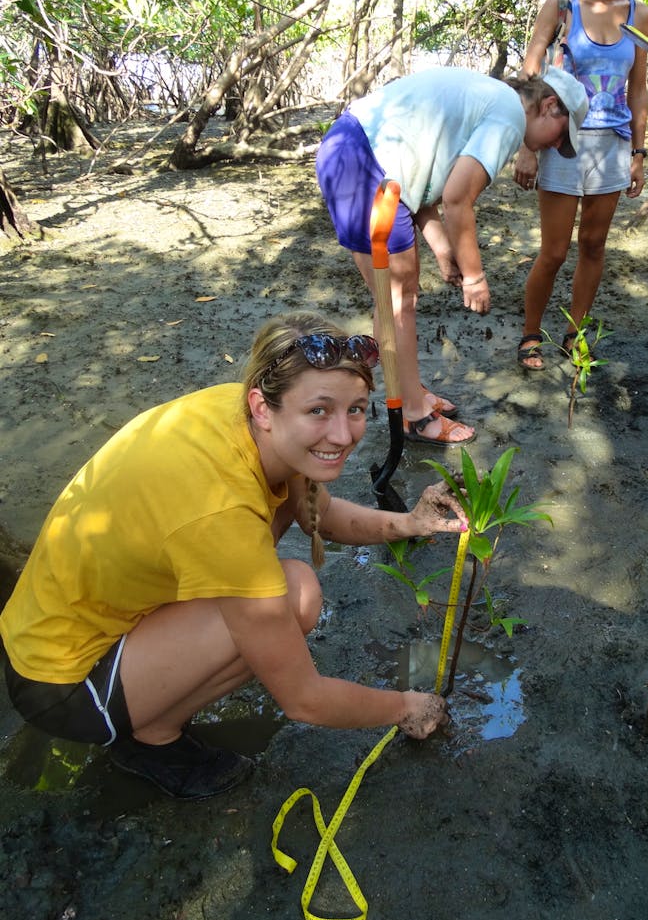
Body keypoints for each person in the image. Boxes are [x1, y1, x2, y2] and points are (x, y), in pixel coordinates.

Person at [0, 316, 471, 798]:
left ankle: (155, 704)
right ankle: (150, 737)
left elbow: (320, 517)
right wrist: (406, 706)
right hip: (61, 684)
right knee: (293, 597)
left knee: (292, 595)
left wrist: (410, 523)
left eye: (355, 409)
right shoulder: (221, 507)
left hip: (81, 627)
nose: (344, 434)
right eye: (319, 411)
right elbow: (304, 700)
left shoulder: (247, 409)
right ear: (263, 408)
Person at [316, 66, 589, 443]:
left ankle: (409, 394)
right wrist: (475, 278)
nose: (556, 148)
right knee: (399, 298)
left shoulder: (488, 99)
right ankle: (412, 414)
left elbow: (423, 187)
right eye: (562, 136)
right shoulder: (510, 113)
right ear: (548, 106)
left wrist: (444, 250)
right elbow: (458, 198)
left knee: (394, 298)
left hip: (353, 152)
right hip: (363, 161)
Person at [513, 0, 648, 370]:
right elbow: (532, 68)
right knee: (553, 250)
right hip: (563, 142)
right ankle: (531, 334)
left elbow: (638, 91)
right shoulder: (562, 4)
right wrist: (527, 144)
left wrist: (639, 152)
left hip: (612, 146)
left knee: (593, 245)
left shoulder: (640, 15)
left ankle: (574, 335)